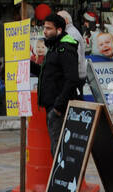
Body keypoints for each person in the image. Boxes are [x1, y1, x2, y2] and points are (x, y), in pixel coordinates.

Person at [34, 12, 80, 158]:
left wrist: (58, 107)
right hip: (51, 105)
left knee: (59, 148)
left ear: (59, 30)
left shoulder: (65, 48)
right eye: (44, 28)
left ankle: (62, 179)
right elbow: (47, 73)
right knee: (56, 146)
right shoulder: (54, 47)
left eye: (48, 28)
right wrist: (28, 65)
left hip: (59, 107)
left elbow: (72, 79)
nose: (45, 31)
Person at [58, 9, 87, 84]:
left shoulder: (71, 34)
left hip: (74, 77)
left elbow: (76, 58)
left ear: (66, 20)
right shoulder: (69, 32)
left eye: (58, 19)